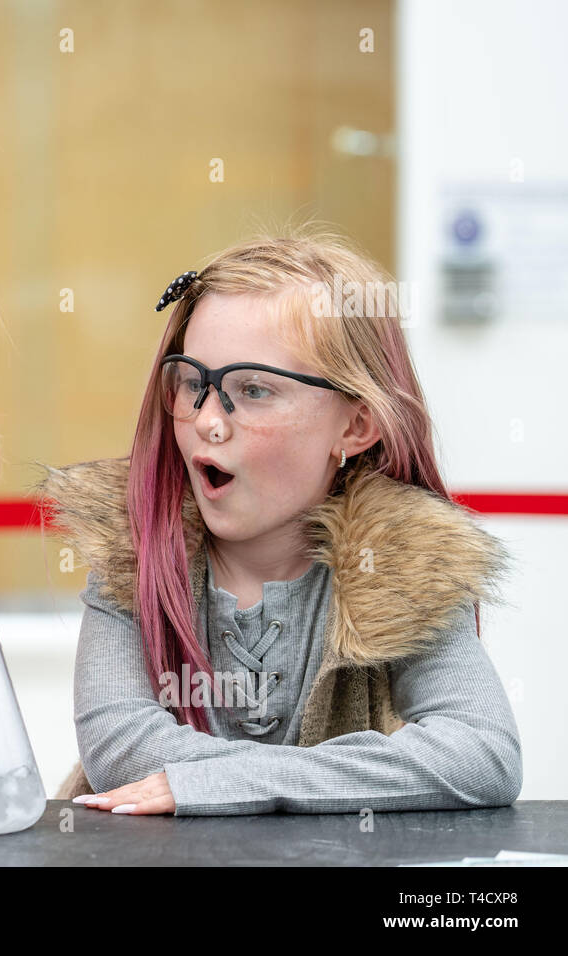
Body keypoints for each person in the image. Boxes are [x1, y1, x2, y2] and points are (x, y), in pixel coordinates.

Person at [41, 229, 521, 816]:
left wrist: (239, 784)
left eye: (254, 389)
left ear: (355, 427)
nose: (208, 421)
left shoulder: (406, 565)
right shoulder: (133, 549)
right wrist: (341, 779)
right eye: (194, 382)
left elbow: (482, 753)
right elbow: (121, 749)